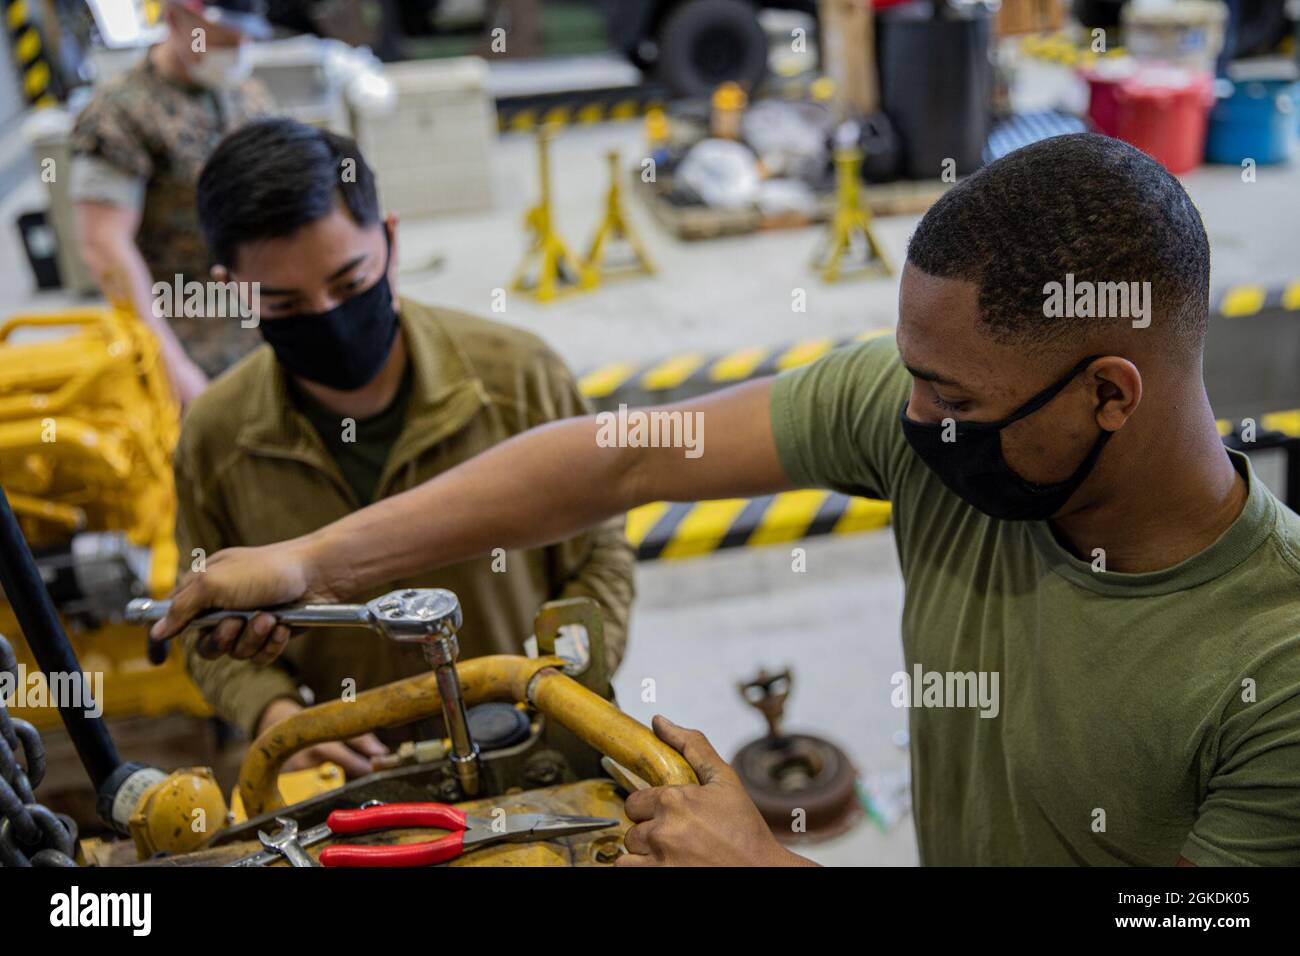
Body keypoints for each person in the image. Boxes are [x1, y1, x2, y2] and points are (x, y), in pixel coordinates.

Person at [151, 133, 1300, 865]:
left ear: (1108, 393)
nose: (904, 418)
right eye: (907, 371)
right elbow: (624, 456)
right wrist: (317, 562)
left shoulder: (1273, 675)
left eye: (946, 393)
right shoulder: (938, 419)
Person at [173, 118, 635, 775]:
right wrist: (276, 715)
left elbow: (603, 551)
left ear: (389, 242)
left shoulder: (518, 383)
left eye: (349, 284)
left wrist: (561, 688)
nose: (328, 317)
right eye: (285, 303)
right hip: (358, 782)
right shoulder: (216, 439)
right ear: (233, 294)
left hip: (538, 748)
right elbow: (196, 616)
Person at [71, 0, 276, 403]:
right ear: (175, 21)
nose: (238, 47)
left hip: (264, 321)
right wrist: (173, 368)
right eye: (223, 38)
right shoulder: (118, 115)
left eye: (244, 36)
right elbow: (103, 245)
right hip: (190, 333)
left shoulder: (245, 95)